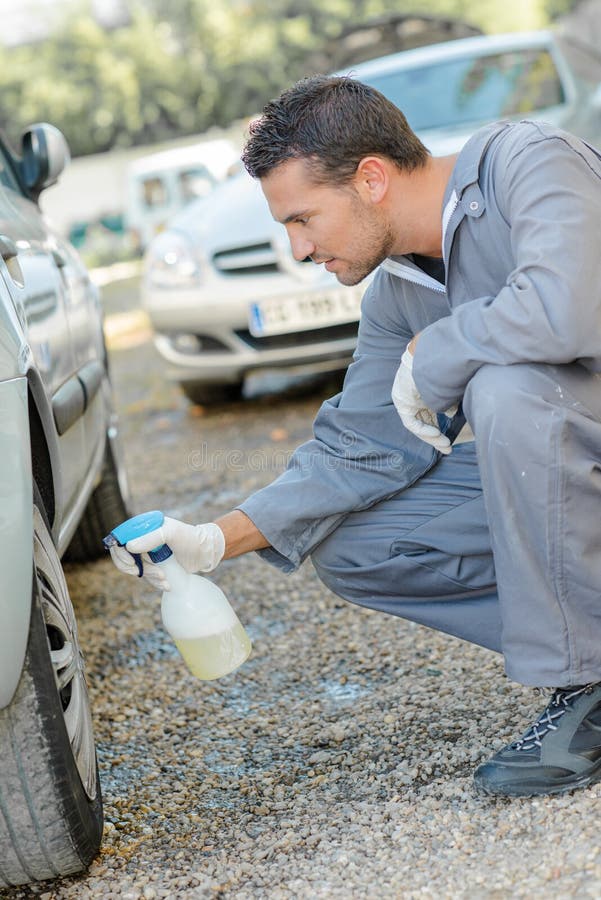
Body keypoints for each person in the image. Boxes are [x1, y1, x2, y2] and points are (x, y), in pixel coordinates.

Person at [110, 75, 601, 798]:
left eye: (302, 219)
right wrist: (214, 540)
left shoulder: (530, 163)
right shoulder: (398, 294)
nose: (298, 249)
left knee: (505, 391)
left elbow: (568, 305)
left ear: (370, 178)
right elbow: (359, 448)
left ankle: (583, 686)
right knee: (356, 542)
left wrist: (435, 354)